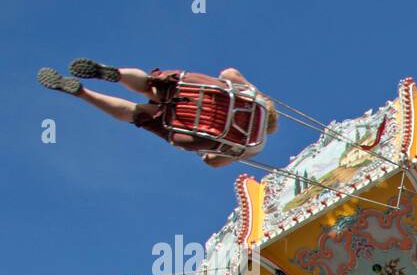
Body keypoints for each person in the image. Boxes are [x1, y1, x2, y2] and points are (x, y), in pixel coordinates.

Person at [37, 58, 277, 166]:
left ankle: (116, 74)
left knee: (150, 86)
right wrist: (206, 155)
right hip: (193, 129)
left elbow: (228, 72)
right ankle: (82, 93)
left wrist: (257, 92)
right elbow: (214, 162)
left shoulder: (255, 98)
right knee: (135, 113)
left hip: (200, 93)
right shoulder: (255, 145)